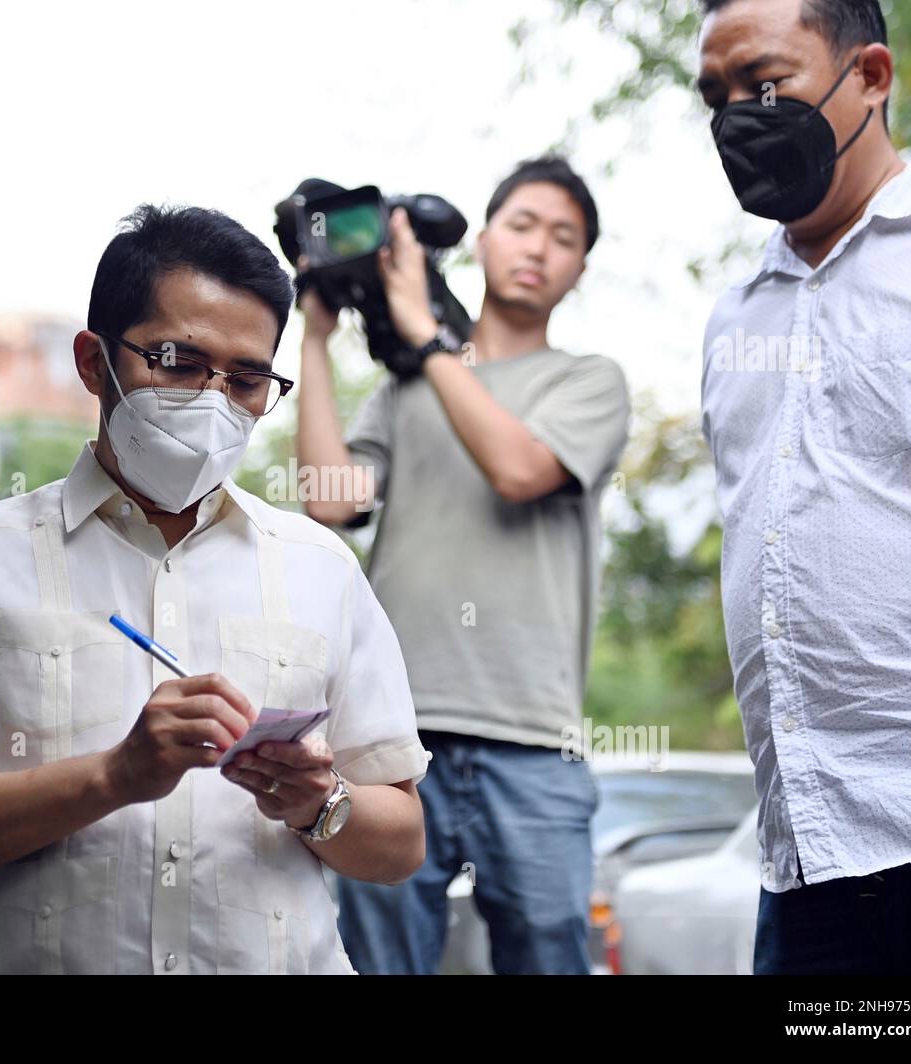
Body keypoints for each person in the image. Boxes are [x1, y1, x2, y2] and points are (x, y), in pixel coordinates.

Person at [0, 203, 430, 974]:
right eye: (176, 362)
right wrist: (114, 776)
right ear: (95, 363)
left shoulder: (319, 568)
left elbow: (402, 843)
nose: (214, 401)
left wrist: (319, 803)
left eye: (248, 380)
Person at [296, 156, 631, 974]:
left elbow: (519, 472)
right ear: (481, 241)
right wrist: (312, 335)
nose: (538, 248)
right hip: (393, 740)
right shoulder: (407, 393)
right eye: (522, 225)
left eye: (564, 238)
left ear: (579, 269)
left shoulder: (589, 381)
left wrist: (423, 334)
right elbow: (328, 499)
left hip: (531, 744)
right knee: (379, 964)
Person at [697, 0, 911, 974]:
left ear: (872, 75)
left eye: (765, 83)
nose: (738, 115)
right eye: (716, 95)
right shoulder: (733, 317)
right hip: (803, 849)